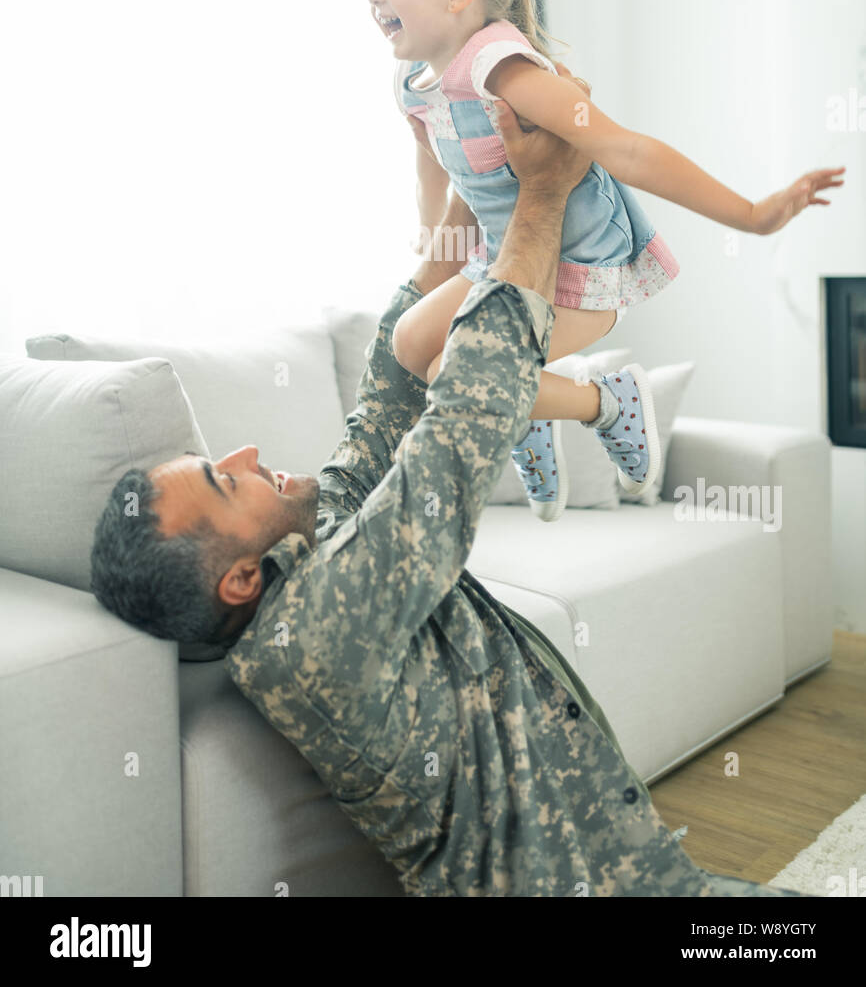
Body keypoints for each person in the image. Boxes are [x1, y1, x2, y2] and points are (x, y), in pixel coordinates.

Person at [91, 106, 812, 898]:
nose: (247, 456)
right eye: (224, 481)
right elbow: (466, 407)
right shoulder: (309, 641)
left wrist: (460, 169)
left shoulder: (314, 550)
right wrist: (541, 190)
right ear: (236, 581)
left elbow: (393, 383)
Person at [369, 0, 845, 520]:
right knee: (409, 343)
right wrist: (436, 244)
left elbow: (626, 150)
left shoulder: (504, 71)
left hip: (579, 269)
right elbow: (434, 160)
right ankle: (527, 412)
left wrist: (754, 216)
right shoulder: (413, 82)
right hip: (506, 266)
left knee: (460, 369)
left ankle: (610, 402)